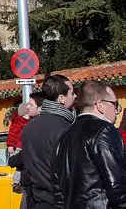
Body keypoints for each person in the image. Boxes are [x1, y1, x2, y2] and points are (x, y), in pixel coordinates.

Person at [53, 80, 126, 209]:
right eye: (115, 104)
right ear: (100, 106)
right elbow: (117, 185)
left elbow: (58, 189)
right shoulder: (104, 130)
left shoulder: (65, 136)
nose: (117, 110)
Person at [21, 74, 76, 209]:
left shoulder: (29, 127)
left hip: (37, 200)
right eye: (72, 93)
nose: (75, 96)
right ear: (61, 98)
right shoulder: (65, 128)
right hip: (61, 202)